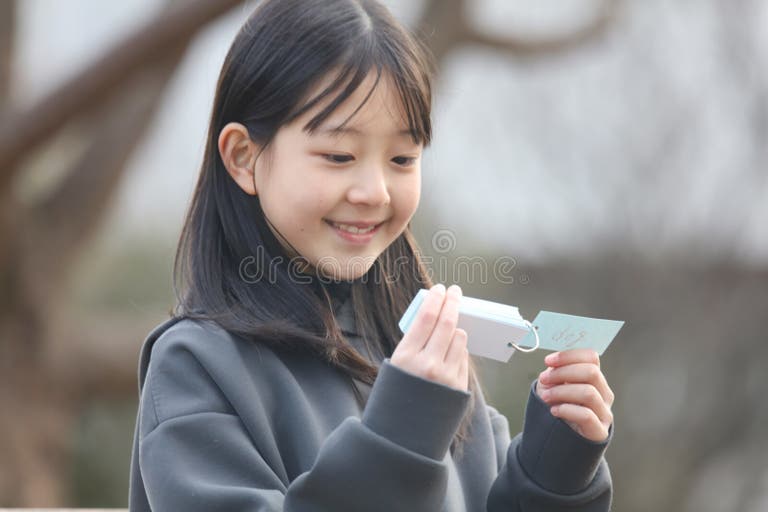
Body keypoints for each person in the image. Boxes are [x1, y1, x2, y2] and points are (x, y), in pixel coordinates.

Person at [127, 0, 615, 510]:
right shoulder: (196, 365)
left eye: (402, 158)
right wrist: (400, 435)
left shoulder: (423, 353)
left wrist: (553, 469)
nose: (375, 192)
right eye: (339, 156)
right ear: (243, 158)